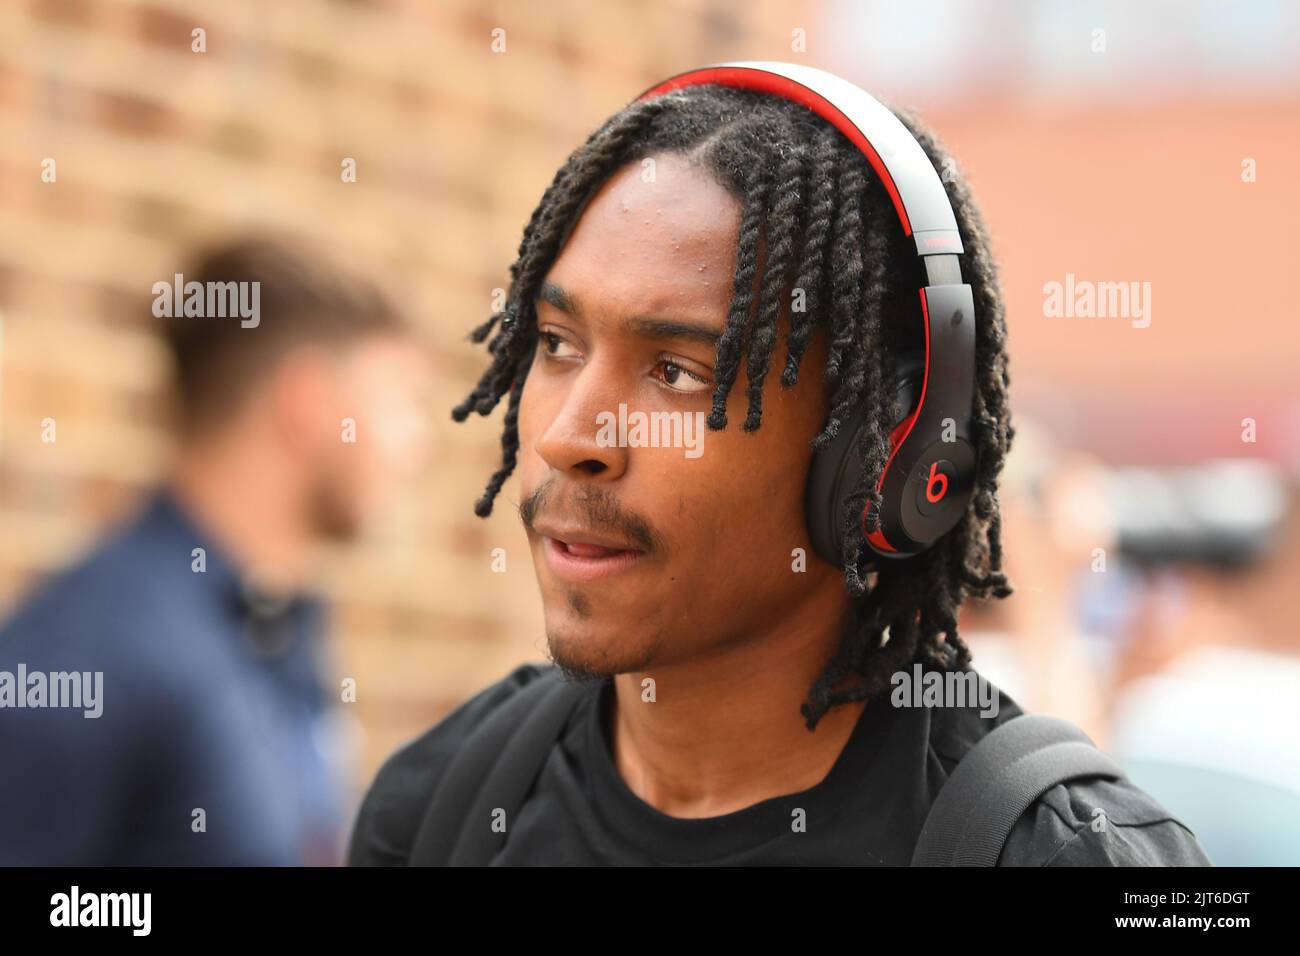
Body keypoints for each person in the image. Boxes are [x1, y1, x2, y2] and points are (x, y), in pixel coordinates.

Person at [347, 66, 1211, 866]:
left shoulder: (1058, 855)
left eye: (678, 372)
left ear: (888, 448)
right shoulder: (443, 805)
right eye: (558, 344)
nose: (570, 437)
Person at [0, 235, 432, 864]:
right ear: (307, 404)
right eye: (398, 404)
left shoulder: (275, 630)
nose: (416, 445)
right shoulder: (90, 652)